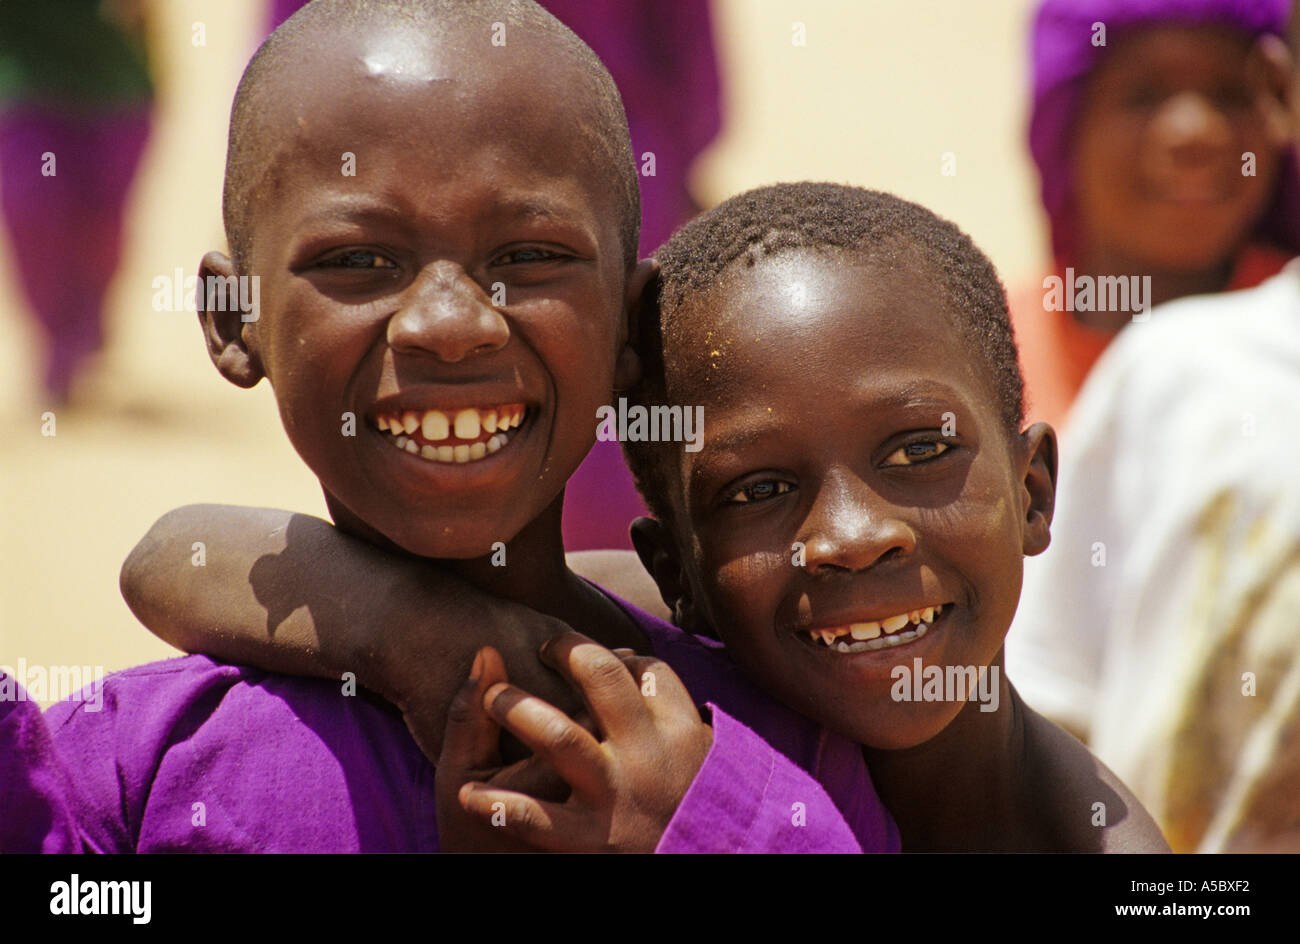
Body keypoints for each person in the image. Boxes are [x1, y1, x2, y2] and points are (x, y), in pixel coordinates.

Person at [37, 0, 896, 855]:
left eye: (528, 257)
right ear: (233, 321)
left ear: (631, 330)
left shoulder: (779, 740)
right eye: (359, 260)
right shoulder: (125, 768)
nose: (449, 323)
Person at [126, 183, 1170, 852]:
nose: (853, 534)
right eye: (755, 492)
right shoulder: (636, 654)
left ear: (1033, 490)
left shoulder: (1094, 839)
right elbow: (174, 557)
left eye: (918, 451)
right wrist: (428, 638)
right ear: (677, 568)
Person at [1014, 0, 1299, 429]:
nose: (1195, 131)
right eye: (1144, 96)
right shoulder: (984, 344)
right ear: (1067, 127)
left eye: (1231, 95)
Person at [0, 0, 154, 404]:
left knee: (102, 231)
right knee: (35, 214)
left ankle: (84, 333)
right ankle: (60, 344)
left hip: (115, 94)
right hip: (22, 88)